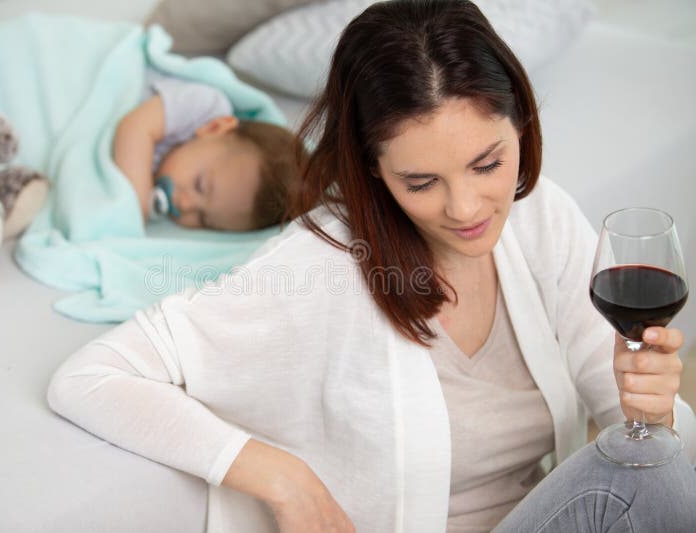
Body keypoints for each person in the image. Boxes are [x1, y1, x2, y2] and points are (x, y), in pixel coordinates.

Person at [49, 1, 696, 532]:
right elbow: (91, 377)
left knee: (661, 456)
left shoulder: (539, 216)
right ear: (372, 170)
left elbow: (631, 432)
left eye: (488, 163)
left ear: (521, 124)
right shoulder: (321, 266)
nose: (467, 207)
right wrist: (282, 476)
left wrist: (653, 406)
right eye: (422, 181)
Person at [113, 70, 305, 231]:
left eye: (202, 219)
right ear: (215, 128)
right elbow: (135, 127)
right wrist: (137, 210)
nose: (185, 205)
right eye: (199, 185)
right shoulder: (204, 107)